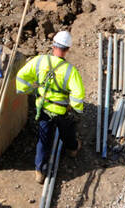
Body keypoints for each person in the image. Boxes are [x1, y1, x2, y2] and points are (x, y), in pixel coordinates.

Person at [15, 31, 85, 184]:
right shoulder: (70, 71)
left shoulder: (39, 61)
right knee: (67, 132)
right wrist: (73, 107)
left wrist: (31, 91)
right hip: (61, 111)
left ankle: (39, 171)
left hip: (43, 108)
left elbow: (21, 76)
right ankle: (72, 149)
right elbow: (78, 96)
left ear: (53, 46)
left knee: (43, 139)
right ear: (67, 49)